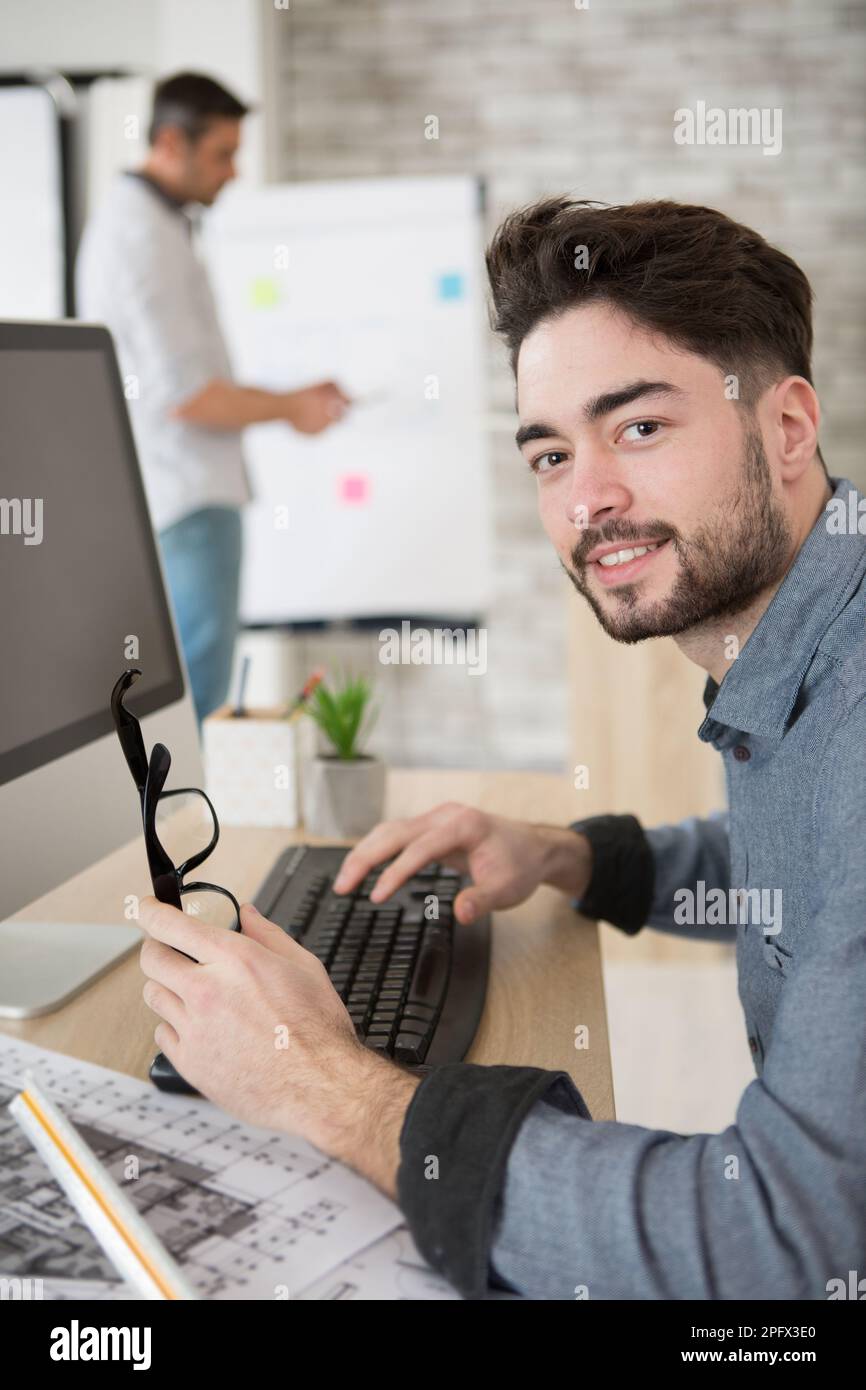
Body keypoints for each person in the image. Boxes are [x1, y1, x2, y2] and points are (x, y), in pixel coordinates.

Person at [136, 196, 865, 1300]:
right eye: (548, 454)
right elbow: (803, 877)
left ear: (786, 427)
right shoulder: (804, 649)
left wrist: (331, 1089)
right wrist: (568, 855)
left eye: (637, 428)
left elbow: (774, 1249)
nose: (588, 501)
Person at [77, 72, 350, 722]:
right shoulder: (140, 235)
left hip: (187, 495)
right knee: (194, 700)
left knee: (190, 693)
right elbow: (189, 396)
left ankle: (172, 820)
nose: (234, 172)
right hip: (186, 499)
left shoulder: (157, 226)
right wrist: (290, 409)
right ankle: (173, 824)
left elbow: (192, 380)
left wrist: (291, 398)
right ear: (172, 141)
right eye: (223, 154)